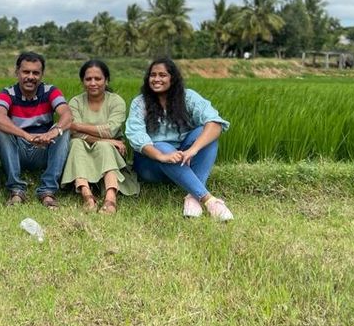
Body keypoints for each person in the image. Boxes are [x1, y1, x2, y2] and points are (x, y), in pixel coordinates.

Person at [125, 57, 233, 221]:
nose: (156, 79)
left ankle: (192, 197)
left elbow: (215, 123)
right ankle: (208, 200)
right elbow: (136, 135)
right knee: (161, 145)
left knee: (205, 132)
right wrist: (161, 155)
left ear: (173, 78)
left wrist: (192, 150)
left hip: (182, 160)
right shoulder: (140, 103)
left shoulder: (188, 97)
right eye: (153, 75)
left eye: (162, 75)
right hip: (151, 165)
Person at [0, 51, 72, 209]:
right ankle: (16, 190)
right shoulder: (7, 93)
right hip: (18, 148)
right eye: (26, 72)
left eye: (35, 73)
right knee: (3, 129)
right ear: (17, 72)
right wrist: (26, 136)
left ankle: (48, 191)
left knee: (64, 130)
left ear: (42, 74)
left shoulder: (50, 91)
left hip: (44, 146)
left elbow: (67, 115)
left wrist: (52, 132)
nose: (30, 77)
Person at [61, 59, 139, 214]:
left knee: (104, 146)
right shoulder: (76, 102)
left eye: (98, 78)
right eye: (88, 79)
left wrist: (77, 125)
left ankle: (111, 199)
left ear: (106, 80)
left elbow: (109, 130)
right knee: (76, 144)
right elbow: (74, 134)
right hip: (84, 148)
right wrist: (108, 139)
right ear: (83, 81)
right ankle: (87, 196)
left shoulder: (116, 101)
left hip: (111, 152)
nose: (93, 83)